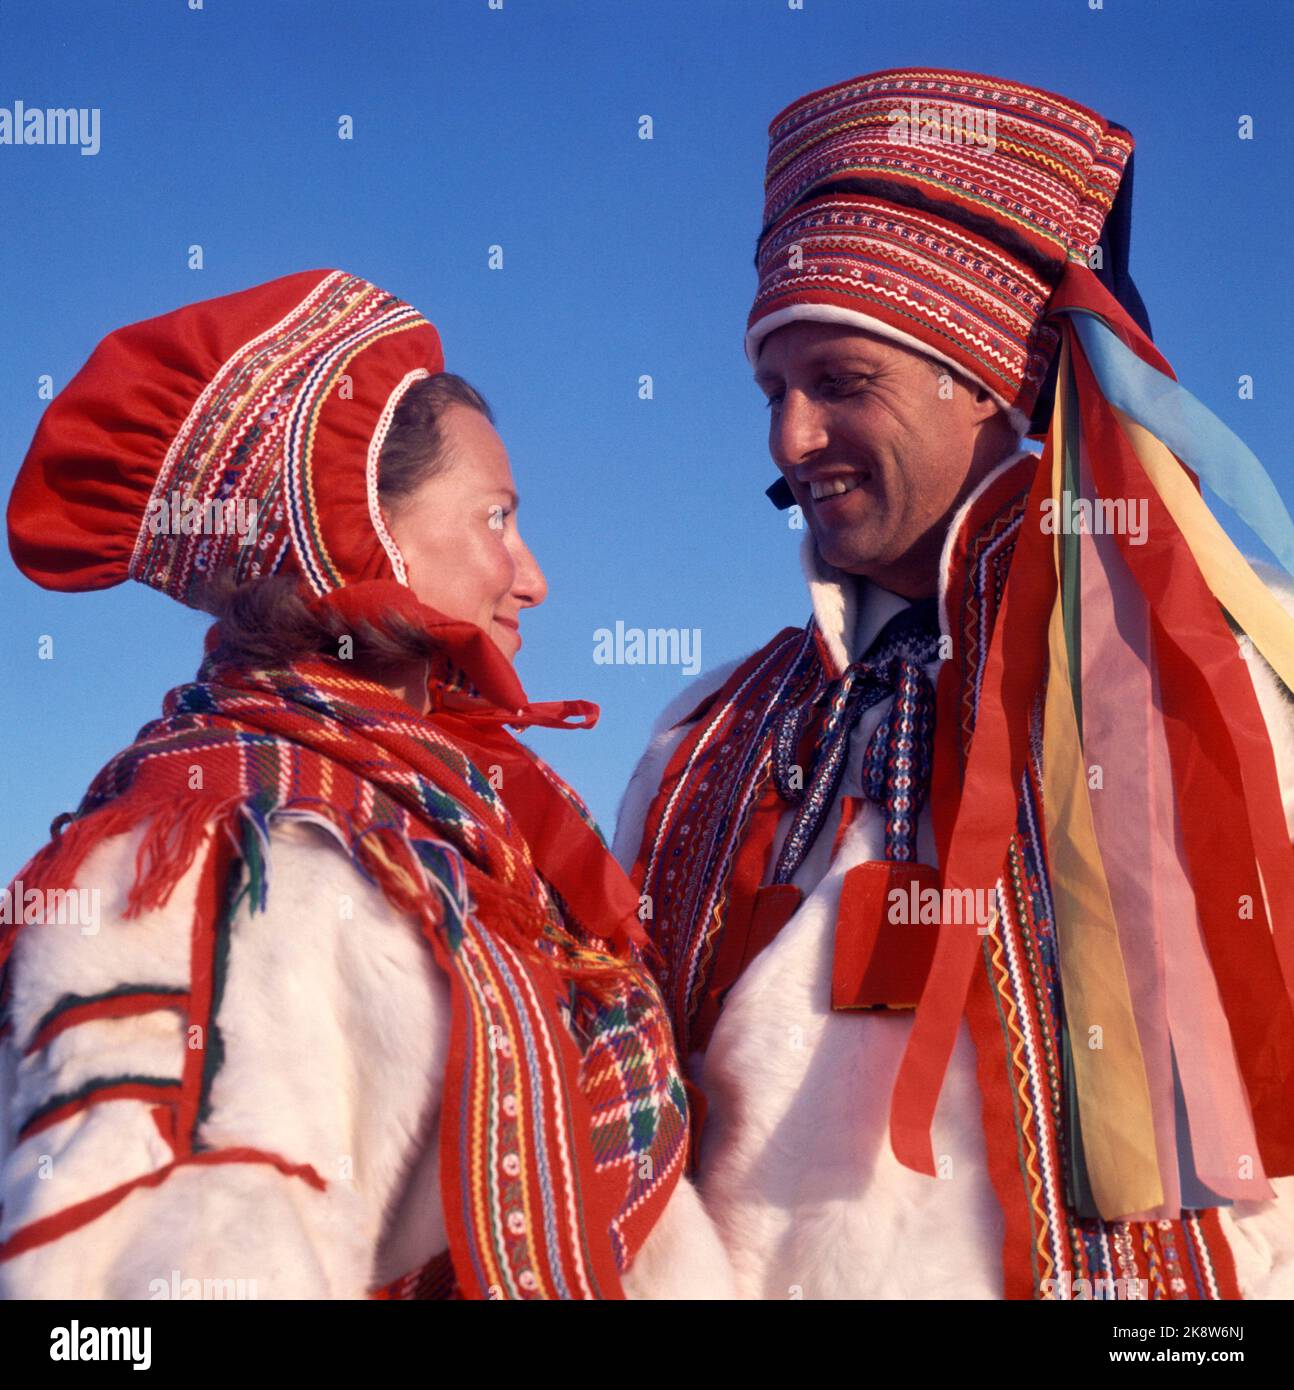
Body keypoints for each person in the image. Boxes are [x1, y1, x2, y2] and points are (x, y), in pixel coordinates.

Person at [614, 67, 1294, 1300]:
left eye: (840, 383)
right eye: (773, 391)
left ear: (979, 378)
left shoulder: (1208, 676)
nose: (788, 441)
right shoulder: (702, 736)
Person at [0, 268, 734, 1300]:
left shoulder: (434, 817)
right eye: (494, 518)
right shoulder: (223, 852)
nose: (532, 575)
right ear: (356, 526)